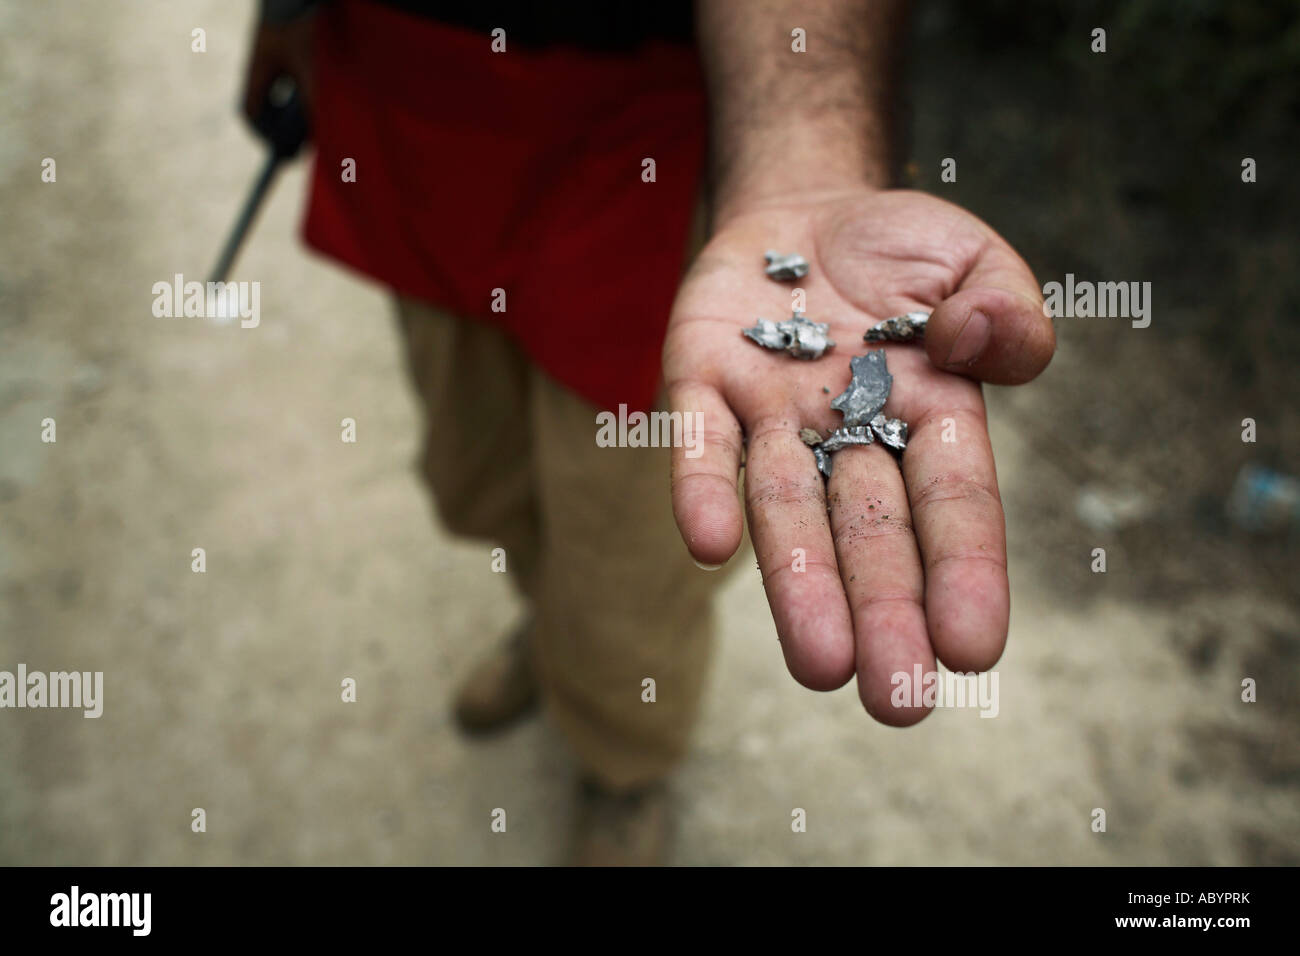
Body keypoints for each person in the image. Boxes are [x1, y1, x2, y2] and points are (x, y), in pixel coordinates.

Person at [243, 0, 1055, 865]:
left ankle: (622, 763)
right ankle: (553, 633)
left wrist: (804, 165)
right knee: (477, 479)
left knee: (626, 566)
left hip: (639, 159)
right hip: (415, 121)